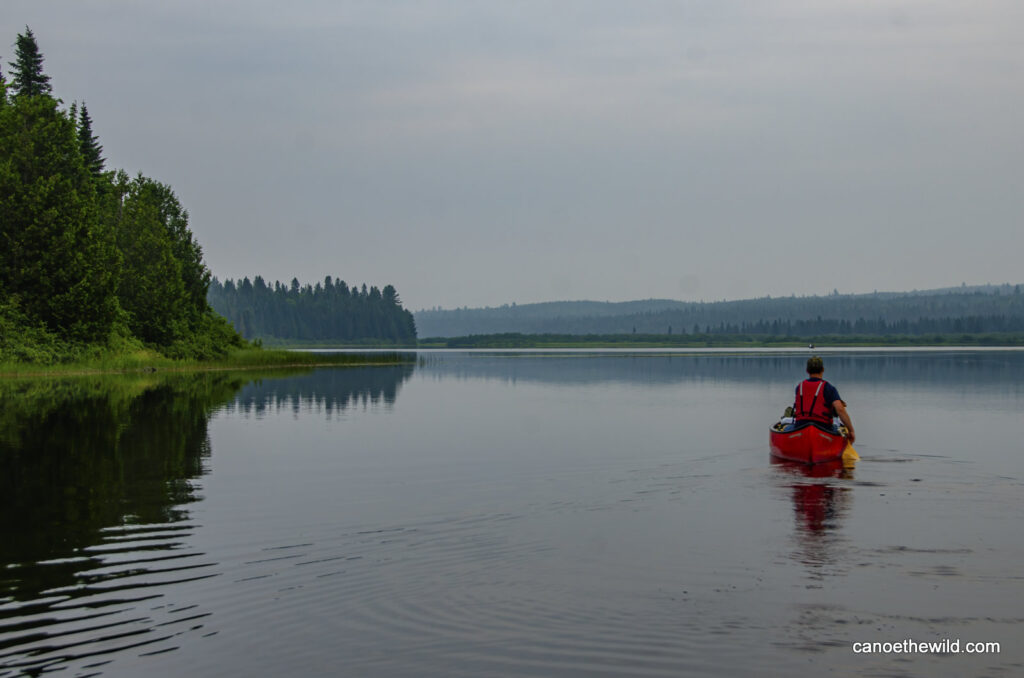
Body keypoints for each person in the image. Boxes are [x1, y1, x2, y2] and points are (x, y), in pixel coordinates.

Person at [793, 356, 855, 443]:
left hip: (800, 425)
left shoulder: (799, 387)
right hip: (823, 427)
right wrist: (851, 430)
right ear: (823, 369)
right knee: (839, 428)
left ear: (807, 370)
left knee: (787, 427)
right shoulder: (828, 388)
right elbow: (840, 409)